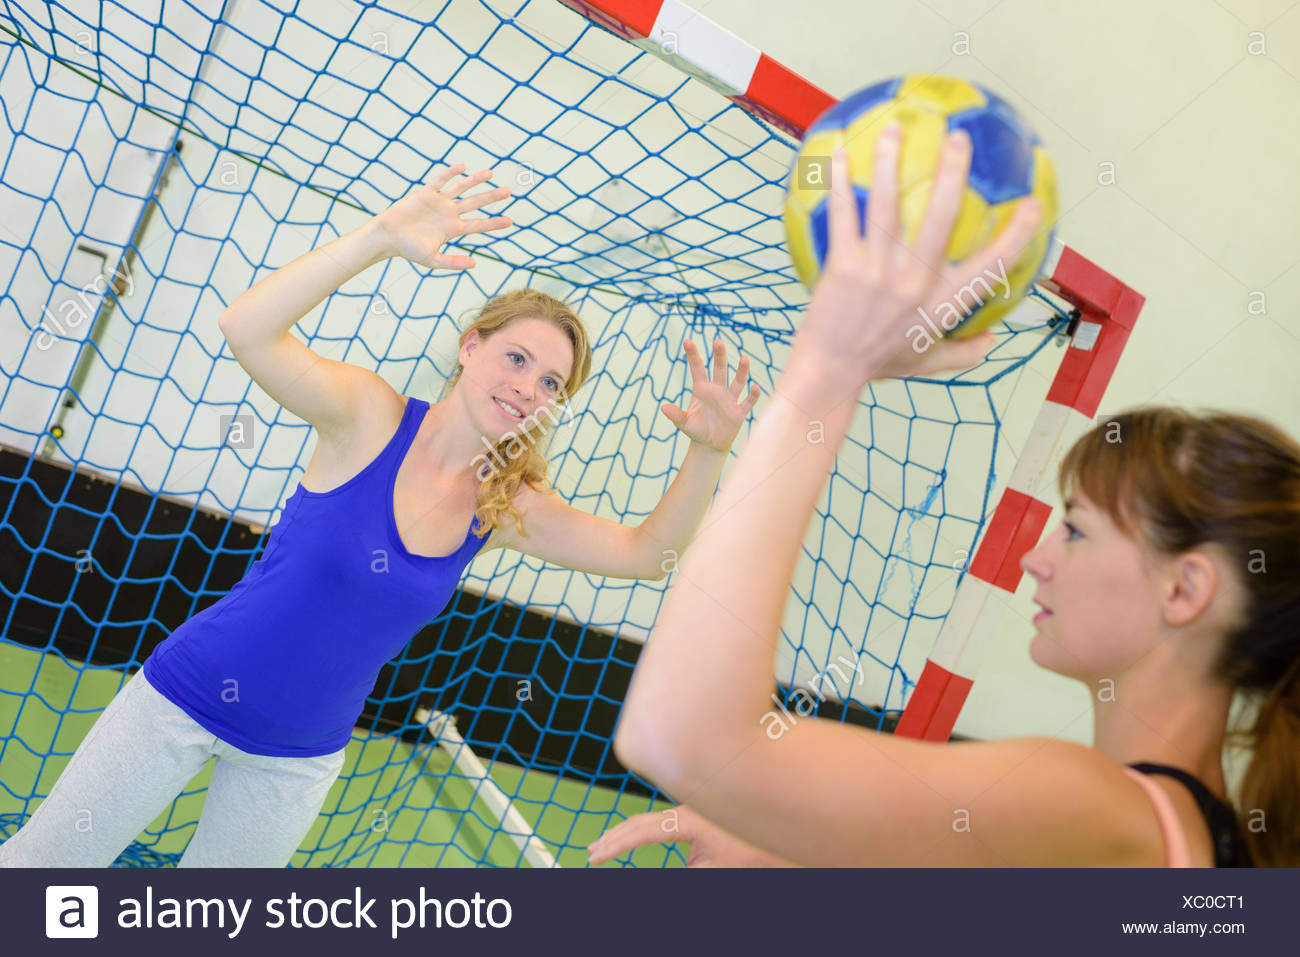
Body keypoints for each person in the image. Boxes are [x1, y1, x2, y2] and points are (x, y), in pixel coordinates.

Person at [0, 164, 760, 868]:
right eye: (518, 358)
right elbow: (246, 328)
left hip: (297, 758)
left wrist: (708, 451)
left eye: (552, 381)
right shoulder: (370, 417)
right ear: (471, 348)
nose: (530, 386)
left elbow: (647, 552)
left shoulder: (507, 505)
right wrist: (379, 236)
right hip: (186, 697)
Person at [594, 125, 1298, 867]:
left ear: (1186, 587)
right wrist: (787, 848)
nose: (1035, 557)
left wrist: (827, 374)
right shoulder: (1192, 836)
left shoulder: (1094, 803)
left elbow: (680, 734)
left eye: (1080, 530)